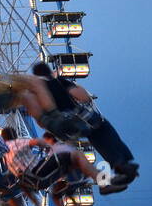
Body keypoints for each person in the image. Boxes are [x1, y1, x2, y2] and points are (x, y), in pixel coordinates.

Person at [30, 61, 137, 192]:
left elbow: (39, 120)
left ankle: (106, 178)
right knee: (101, 128)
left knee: (86, 144)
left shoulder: (34, 93)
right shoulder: (57, 81)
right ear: (48, 71)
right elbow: (83, 97)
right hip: (77, 120)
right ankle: (122, 165)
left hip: (62, 129)